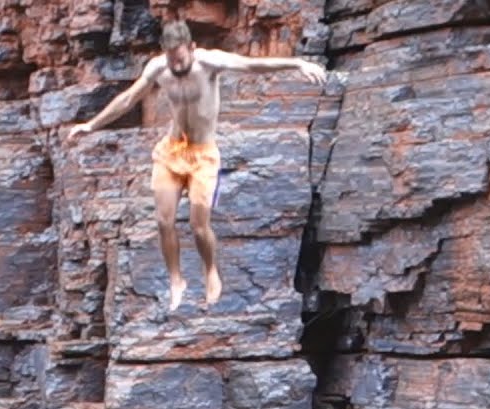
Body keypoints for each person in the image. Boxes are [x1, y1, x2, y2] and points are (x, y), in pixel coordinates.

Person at [67, 21, 327, 311]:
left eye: (180, 58)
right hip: (171, 152)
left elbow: (252, 65)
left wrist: (296, 63)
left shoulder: (209, 62)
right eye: (170, 58)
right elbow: (128, 99)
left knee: (198, 226)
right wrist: (91, 125)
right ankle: (177, 281)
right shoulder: (158, 68)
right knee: (164, 221)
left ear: (191, 48)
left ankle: (210, 270)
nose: (176, 64)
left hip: (203, 154)